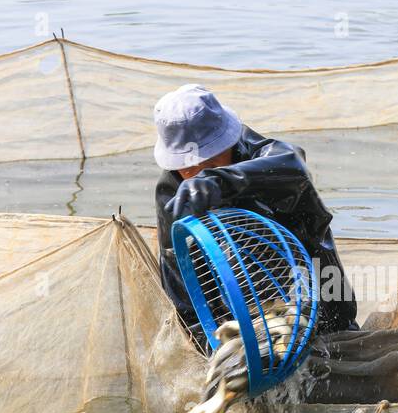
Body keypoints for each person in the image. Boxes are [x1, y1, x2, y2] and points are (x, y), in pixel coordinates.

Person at [152, 84, 357, 334]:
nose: (198, 171)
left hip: (318, 291)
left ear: (229, 143)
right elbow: (181, 285)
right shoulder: (171, 195)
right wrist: (210, 341)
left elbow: (295, 166)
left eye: (212, 161)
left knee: (337, 328)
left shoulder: (269, 155)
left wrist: (219, 181)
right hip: (239, 318)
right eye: (188, 166)